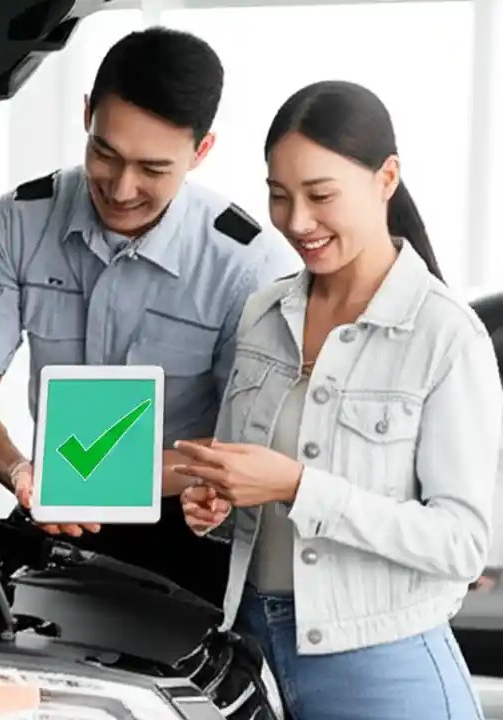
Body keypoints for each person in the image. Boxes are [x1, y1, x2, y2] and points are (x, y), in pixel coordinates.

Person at [176, 79, 500, 719]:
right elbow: (247, 473)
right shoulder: (263, 311)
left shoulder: (443, 333)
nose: (297, 222)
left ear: (387, 178)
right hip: (250, 649)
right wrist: (214, 500)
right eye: (278, 195)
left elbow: (461, 543)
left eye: (321, 195)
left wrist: (299, 486)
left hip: (381, 666)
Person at [0, 26, 298, 606]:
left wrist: (98, 485)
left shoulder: (248, 264)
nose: (122, 187)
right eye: (104, 154)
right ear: (86, 115)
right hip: (48, 503)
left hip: (188, 526)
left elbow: (252, 441)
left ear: (201, 152)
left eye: (153, 169)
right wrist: (18, 472)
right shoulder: (19, 222)